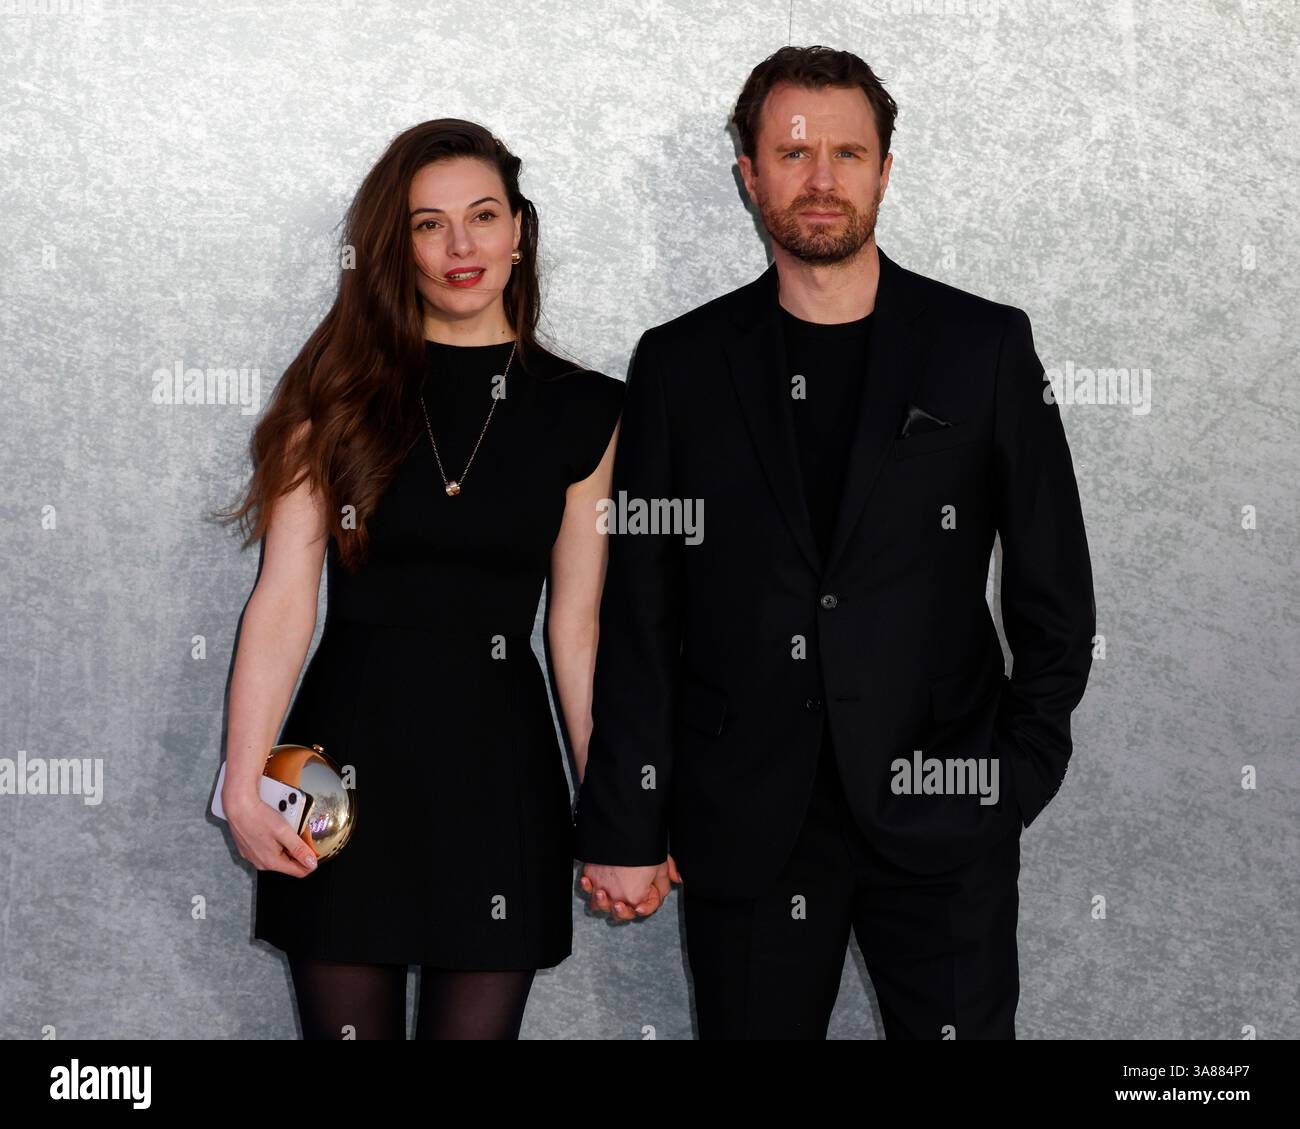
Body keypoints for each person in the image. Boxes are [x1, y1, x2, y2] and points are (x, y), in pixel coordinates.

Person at [575, 45, 1096, 1039]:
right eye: (793, 153)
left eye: (848, 154)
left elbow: (1054, 589)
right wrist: (626, 819)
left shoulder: (982, 347)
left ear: (885, 171)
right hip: (746, 819)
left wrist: (1014, 772)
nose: (820, 182)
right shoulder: (679, 366)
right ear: (750, 175)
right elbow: (642, 613)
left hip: (945, 804)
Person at [215, 119, 624, 1039]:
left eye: (483, 216)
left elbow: (580, 628)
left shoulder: (587, 411)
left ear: (520, 229)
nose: (461, 245)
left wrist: (613, 806)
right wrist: (242, 782)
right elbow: (282, 599)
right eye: (427, 224)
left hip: (500, 779)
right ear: (393, 247)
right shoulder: (332, 393)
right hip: (336, 787)